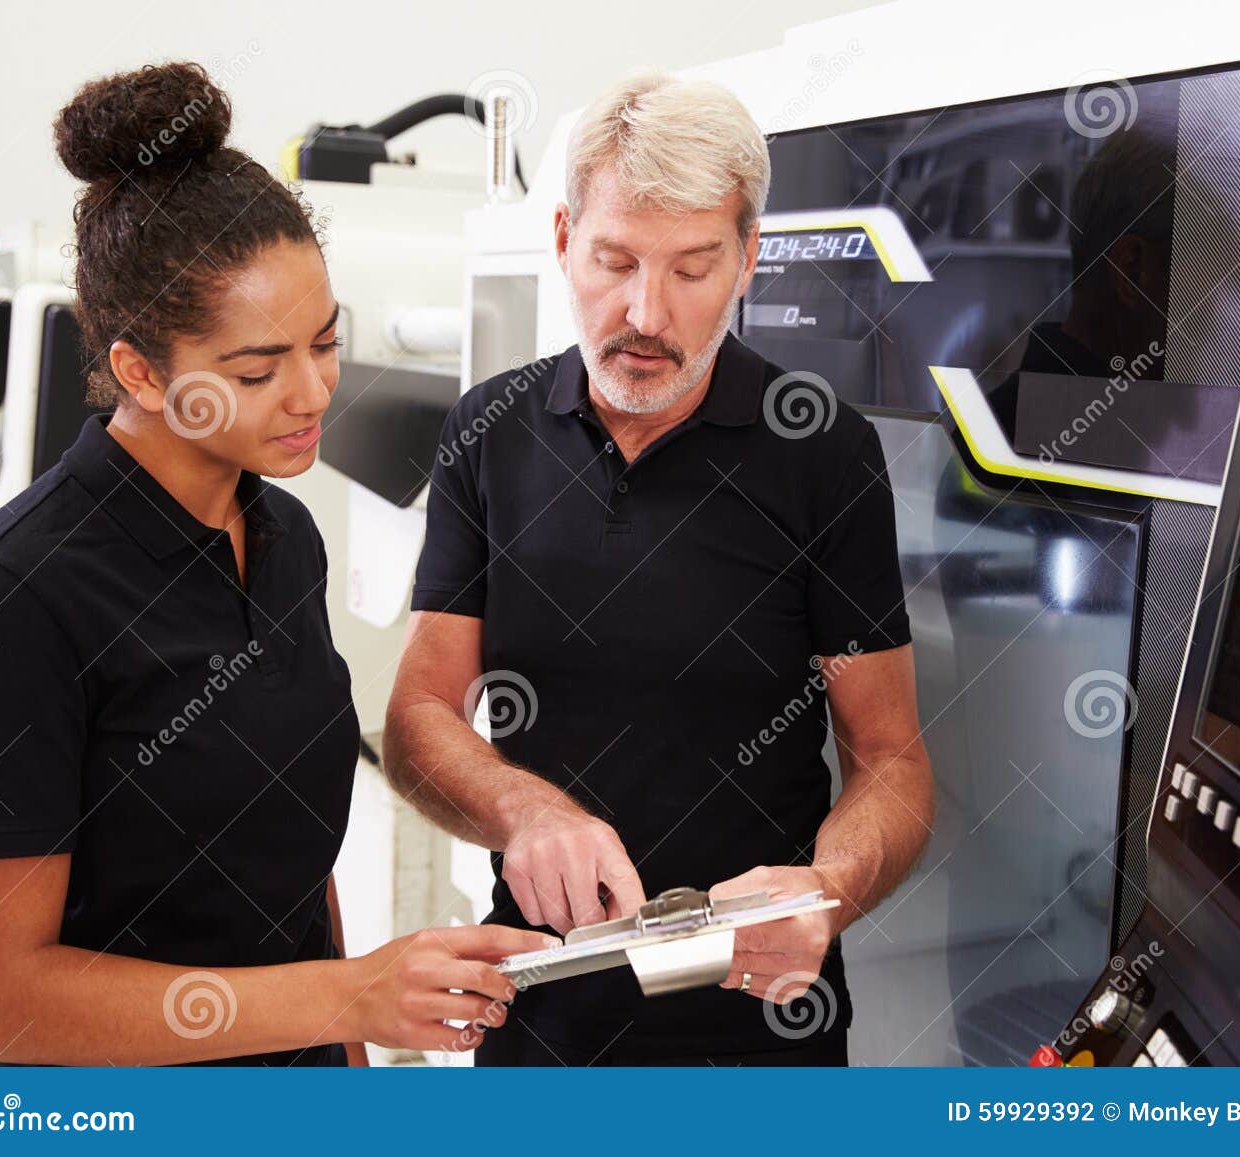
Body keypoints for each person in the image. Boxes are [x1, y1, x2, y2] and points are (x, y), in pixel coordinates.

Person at [0, 62, 552, 1067]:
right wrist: (347, 994)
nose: (310, 392)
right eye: (257, 369)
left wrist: (347, 1047)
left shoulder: (285, 540)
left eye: (325, 342)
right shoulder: (14, 598)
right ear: (139, 370)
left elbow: (290, 867)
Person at [385, 71, 935, 1066]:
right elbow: (419, 715)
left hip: (762, 1027)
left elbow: (891, 760)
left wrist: (825, 887)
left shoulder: (818, 450)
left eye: (691, 268)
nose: (645, 312)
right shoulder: (488, 432)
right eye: (614, 260)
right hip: (542, 1013)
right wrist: (523, 808)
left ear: (746, 260)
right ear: (562, 240)